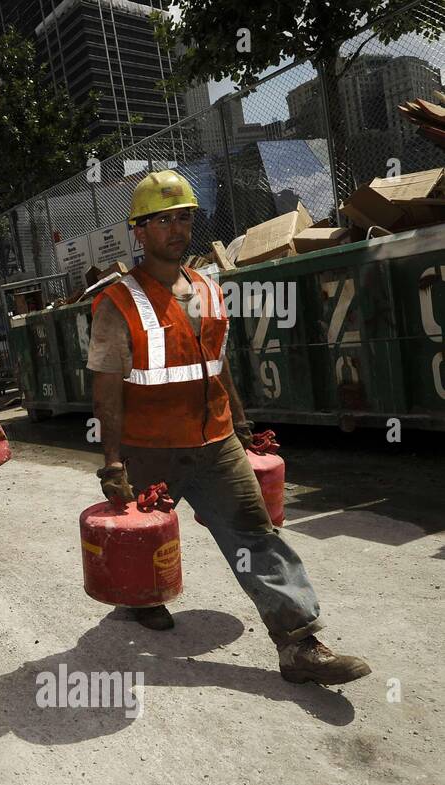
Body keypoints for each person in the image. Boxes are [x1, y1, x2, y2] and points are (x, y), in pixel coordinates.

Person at [87, 169, 370, 685]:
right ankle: (142, 598)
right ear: (140, 231)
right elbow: (106, 391)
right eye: (164, 219)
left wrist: (239, 422)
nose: (177, 228)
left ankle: (299, 644)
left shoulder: (208, 289)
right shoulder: (116, 303)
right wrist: (112, 461)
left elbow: (217, 365)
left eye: (185, 217)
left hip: (216, 442)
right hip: (149, 451)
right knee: (140, 539)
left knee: (257, 537)